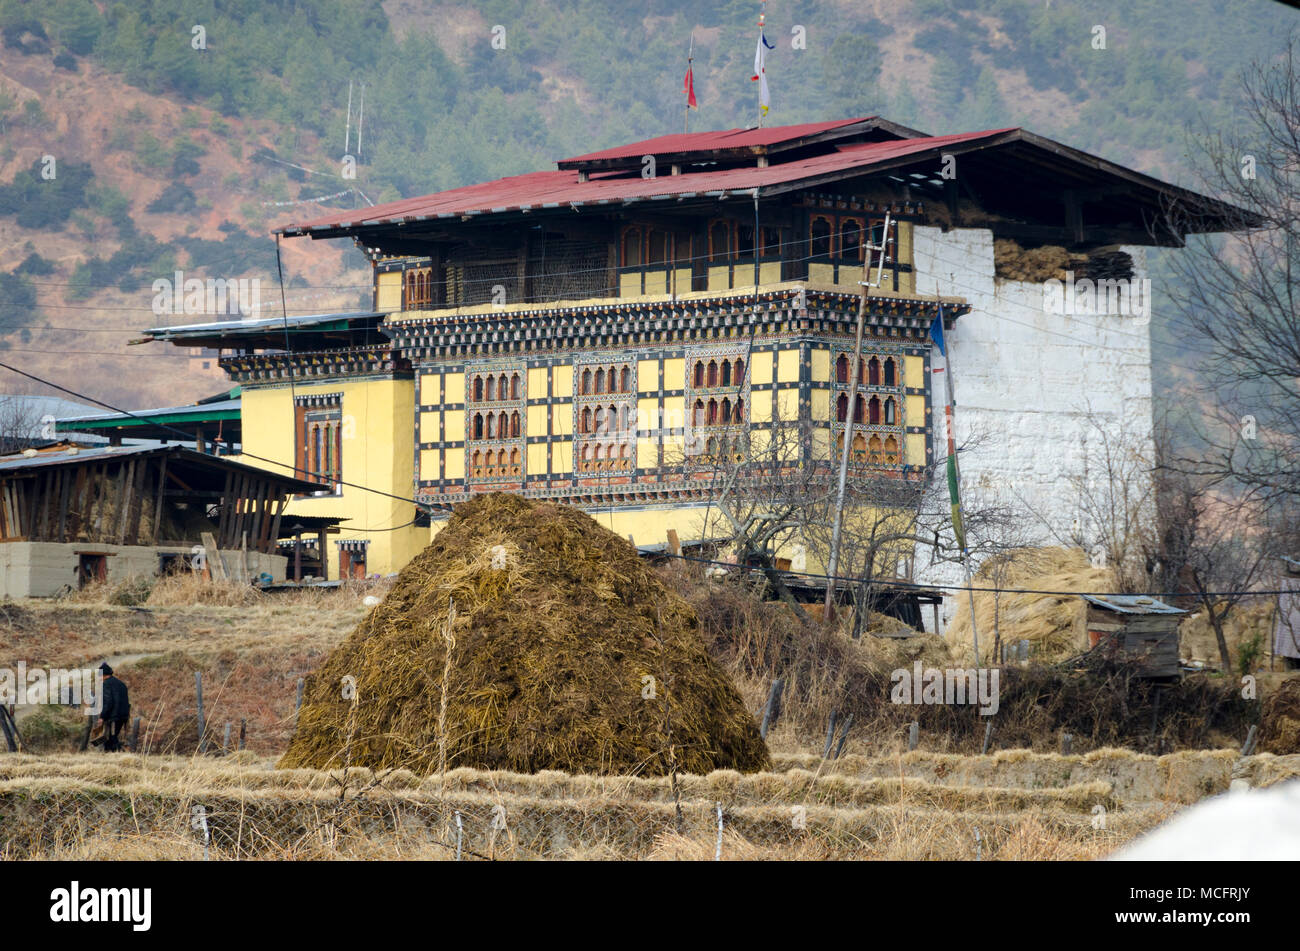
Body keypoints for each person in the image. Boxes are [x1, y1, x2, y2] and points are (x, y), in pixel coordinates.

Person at [97, 663, 130, 752]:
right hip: (124, 715)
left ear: (103, 675)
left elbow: (108, 702)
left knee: (111, 738)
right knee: (113, 737)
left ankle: (118, 753)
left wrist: (102, 717)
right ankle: (114, 753)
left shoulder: (106, 684)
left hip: (114, 716)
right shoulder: (121, 684)